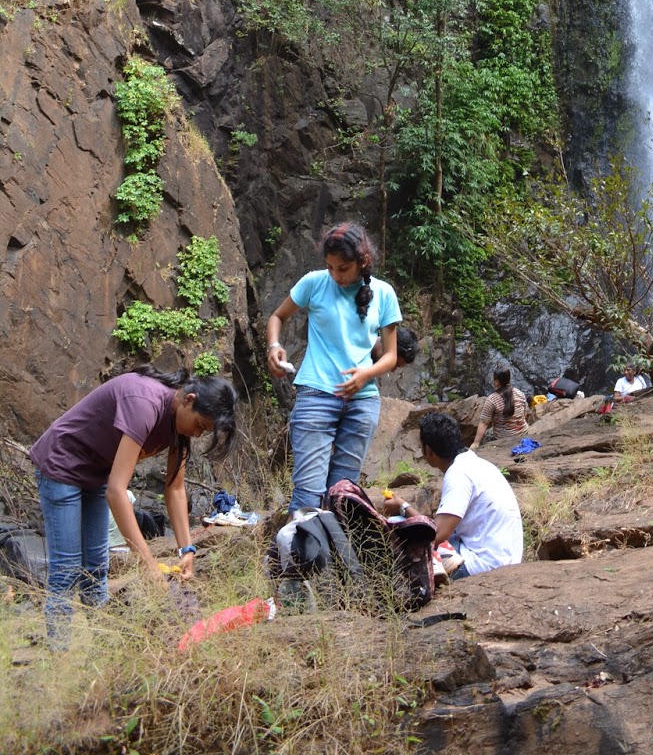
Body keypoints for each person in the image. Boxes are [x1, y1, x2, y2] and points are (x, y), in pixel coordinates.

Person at [29, 365, 237, 643]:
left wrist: (187, 549)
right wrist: (147, 562)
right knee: (67, 570)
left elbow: (175, 488)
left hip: (96, 473)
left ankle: (103, 648)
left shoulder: (179, 424)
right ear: (189, 401)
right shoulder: (145, 404)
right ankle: (59, 654)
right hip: (61, 465)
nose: (198, 435)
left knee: (96, 568)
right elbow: (117, 491)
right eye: (200, 426)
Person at [266, 222, 400, 514]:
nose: (336, 275)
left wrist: (366, 374)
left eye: (343, 268)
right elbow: (278, 316)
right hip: (315, 396)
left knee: (343, 495)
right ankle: (301, 557)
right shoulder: (314, 283)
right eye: (330, 267)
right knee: (308, 494)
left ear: (362, 262)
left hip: (362, 403)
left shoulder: (384, 293)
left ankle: (334, 558)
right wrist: (274, 346)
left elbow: (390, 356)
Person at [418, 412, 523, 578]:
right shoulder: (478, 464)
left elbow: (437, 533)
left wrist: (403, 509)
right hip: (506, 558)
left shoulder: (458, 473)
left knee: (412, 546)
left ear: (428, 450)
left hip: (484, 564)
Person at [471, 367, 528, 449]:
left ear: (497, 382)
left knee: (488, 433)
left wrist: (475, 443)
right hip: (523, 434)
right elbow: (524, 415)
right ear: (509, 379)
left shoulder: (492, 399)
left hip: (503, 438)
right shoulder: (520, 394)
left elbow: (484, 423)